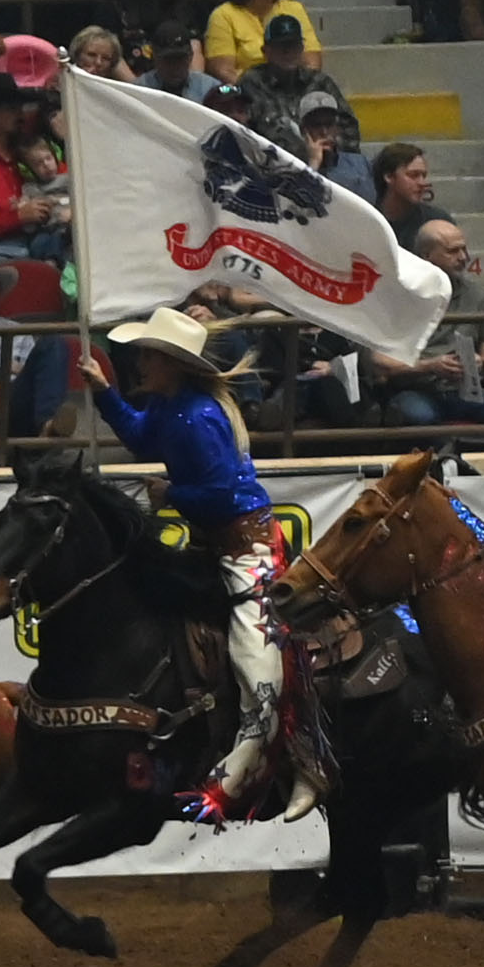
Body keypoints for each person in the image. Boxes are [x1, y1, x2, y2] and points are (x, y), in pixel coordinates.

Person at [76, 310, 309, 822]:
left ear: (171, 364)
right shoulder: (172, 406)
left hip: (247, 548)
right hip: (219, 542)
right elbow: (141, 437)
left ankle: (277, 765)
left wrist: (172, 494)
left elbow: (222, 493)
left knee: (256, 660)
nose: (139, 363)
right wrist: (104, 392)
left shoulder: (197, 417)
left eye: (148, 355)